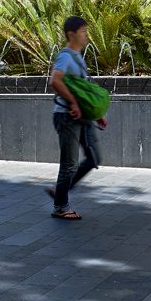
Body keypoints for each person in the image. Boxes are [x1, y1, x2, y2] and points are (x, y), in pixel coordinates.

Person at [48, 15, 106, 219]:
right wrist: (72, 102)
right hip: (67, 116)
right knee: (70, 164)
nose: (86, 35)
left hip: (82, 116)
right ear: (71, 34)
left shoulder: (78, 56)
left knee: (94, 158)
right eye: (83, 31)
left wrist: (96, 114)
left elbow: (82, 88)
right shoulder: (65, 56)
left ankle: (60, 190)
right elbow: (55, 81)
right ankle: (60, 206)